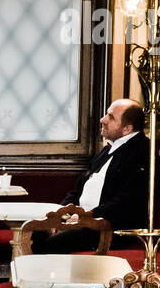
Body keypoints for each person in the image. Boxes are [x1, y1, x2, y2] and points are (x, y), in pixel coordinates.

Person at [42, 100, 150, 253]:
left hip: (108, 229)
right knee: (35, 233)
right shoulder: (108, 150)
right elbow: (77, 190)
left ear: (127, 128)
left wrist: (84, 218)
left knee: (53, 244)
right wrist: (60, 214)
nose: (102, 119)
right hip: (81, 221)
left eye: (111, 117)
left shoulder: (142, 153)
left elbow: (126, 203)